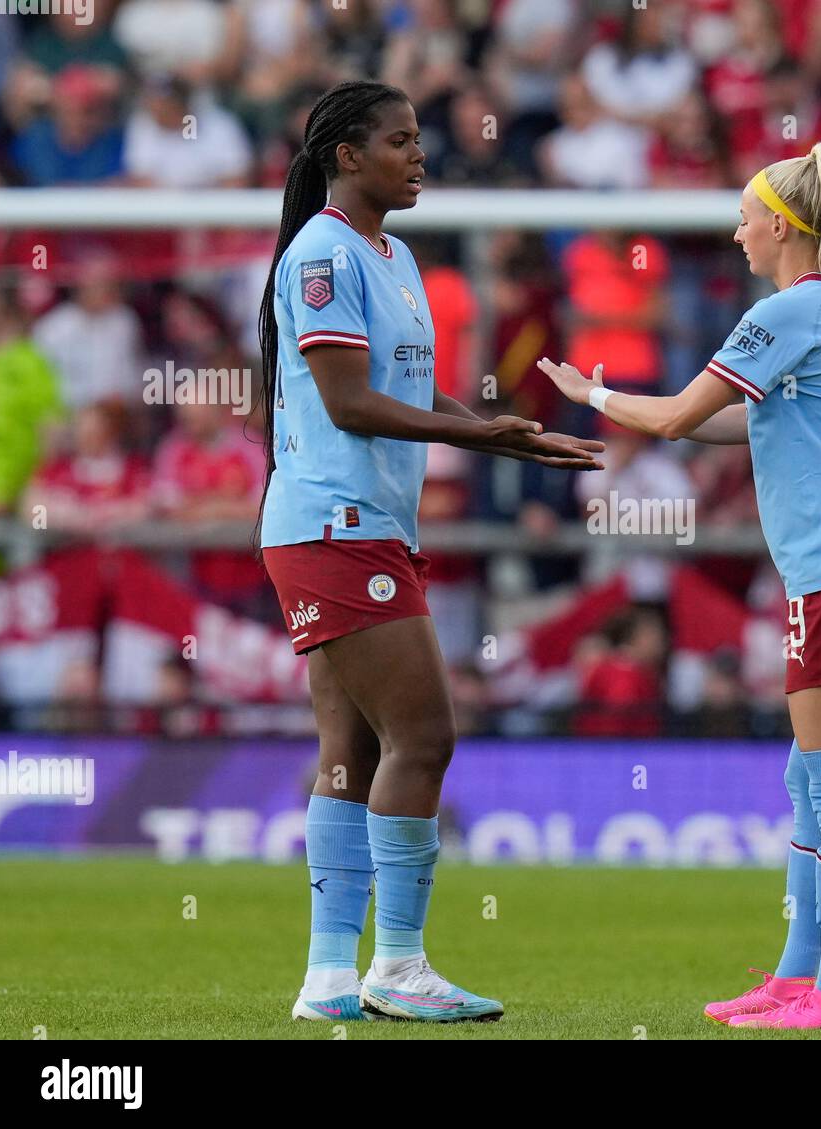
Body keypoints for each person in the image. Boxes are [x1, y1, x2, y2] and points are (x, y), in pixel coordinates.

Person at [540, 140, 821, 1031]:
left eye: (748, 216)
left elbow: (683, 414)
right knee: (811, 779)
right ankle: (799, 976)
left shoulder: (789, 311)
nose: (737, 231)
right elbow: (747, 426)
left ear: (785, 225)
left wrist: (594, 397)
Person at [255, 80, 603, 1024]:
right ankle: (398, 964)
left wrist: (497, 426)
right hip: (335, 524)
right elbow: (349, 403)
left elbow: (408, 385)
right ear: (347, 157)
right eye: (401, 142)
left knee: (352, 748)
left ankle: (330, 973)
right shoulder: (322, 255)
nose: (421, 155)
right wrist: (475, 442)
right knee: (426, 736)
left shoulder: (394, 253)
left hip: (358, 524)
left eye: (420, 140)